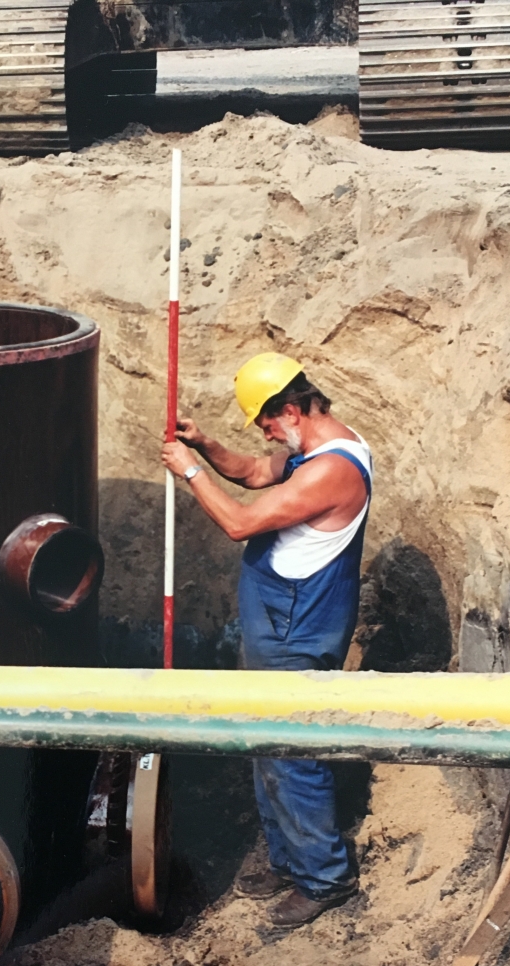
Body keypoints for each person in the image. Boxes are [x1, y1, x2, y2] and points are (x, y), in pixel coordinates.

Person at [161, 352, 372, 928]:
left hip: (295, 628)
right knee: (267, 746)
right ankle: (289, 858)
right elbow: (255, 472)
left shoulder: (332, 471)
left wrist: (188, 471)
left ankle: (324, 877)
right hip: (282, 621)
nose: (268, 435)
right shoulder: (325, 447)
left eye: (269, 423)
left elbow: (238, 522)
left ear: (291, 410)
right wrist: (204, 445)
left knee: (290, 753)